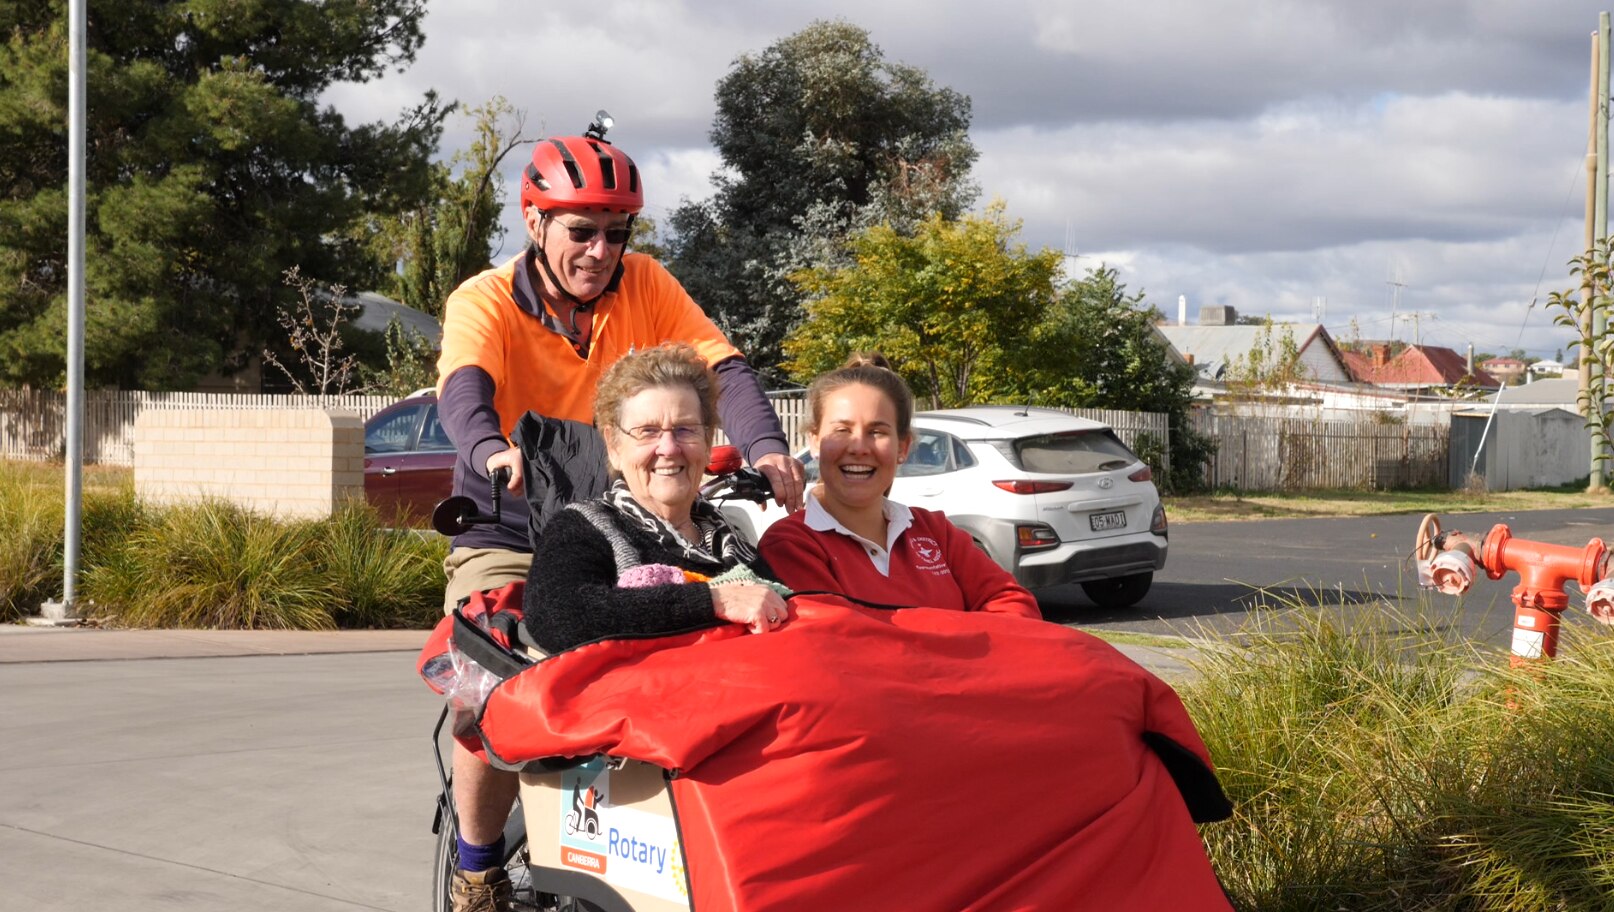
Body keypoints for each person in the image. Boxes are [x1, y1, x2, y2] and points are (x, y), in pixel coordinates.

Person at [433, 114, 803, 912]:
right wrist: (490, 450)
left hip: (627, 512)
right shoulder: (487, 299)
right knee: (487, 675)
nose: (600, 251)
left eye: (615, 232)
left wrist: (767, 447)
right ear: (534, 223)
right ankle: (476, 863)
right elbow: (463, 389)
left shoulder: (649, 285)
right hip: (513, 516)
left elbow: (723, 370)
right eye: (581, 231)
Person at [525, 344, 790, 654]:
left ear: (707, 443)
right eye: (647, 431)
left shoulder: (730, 539)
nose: (668, 447)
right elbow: (556, 615)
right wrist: (712, 601)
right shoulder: (585, 527)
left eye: (685, 429)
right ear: (614, 446)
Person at [759, 354, 1042, 619]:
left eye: (877, 432)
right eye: (842, 430)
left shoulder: (936, 531)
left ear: (902, 447)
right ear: (815, 441)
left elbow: (1015, 605)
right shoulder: (791, 544)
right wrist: (966, 642)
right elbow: (842, 641)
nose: (859, 447)